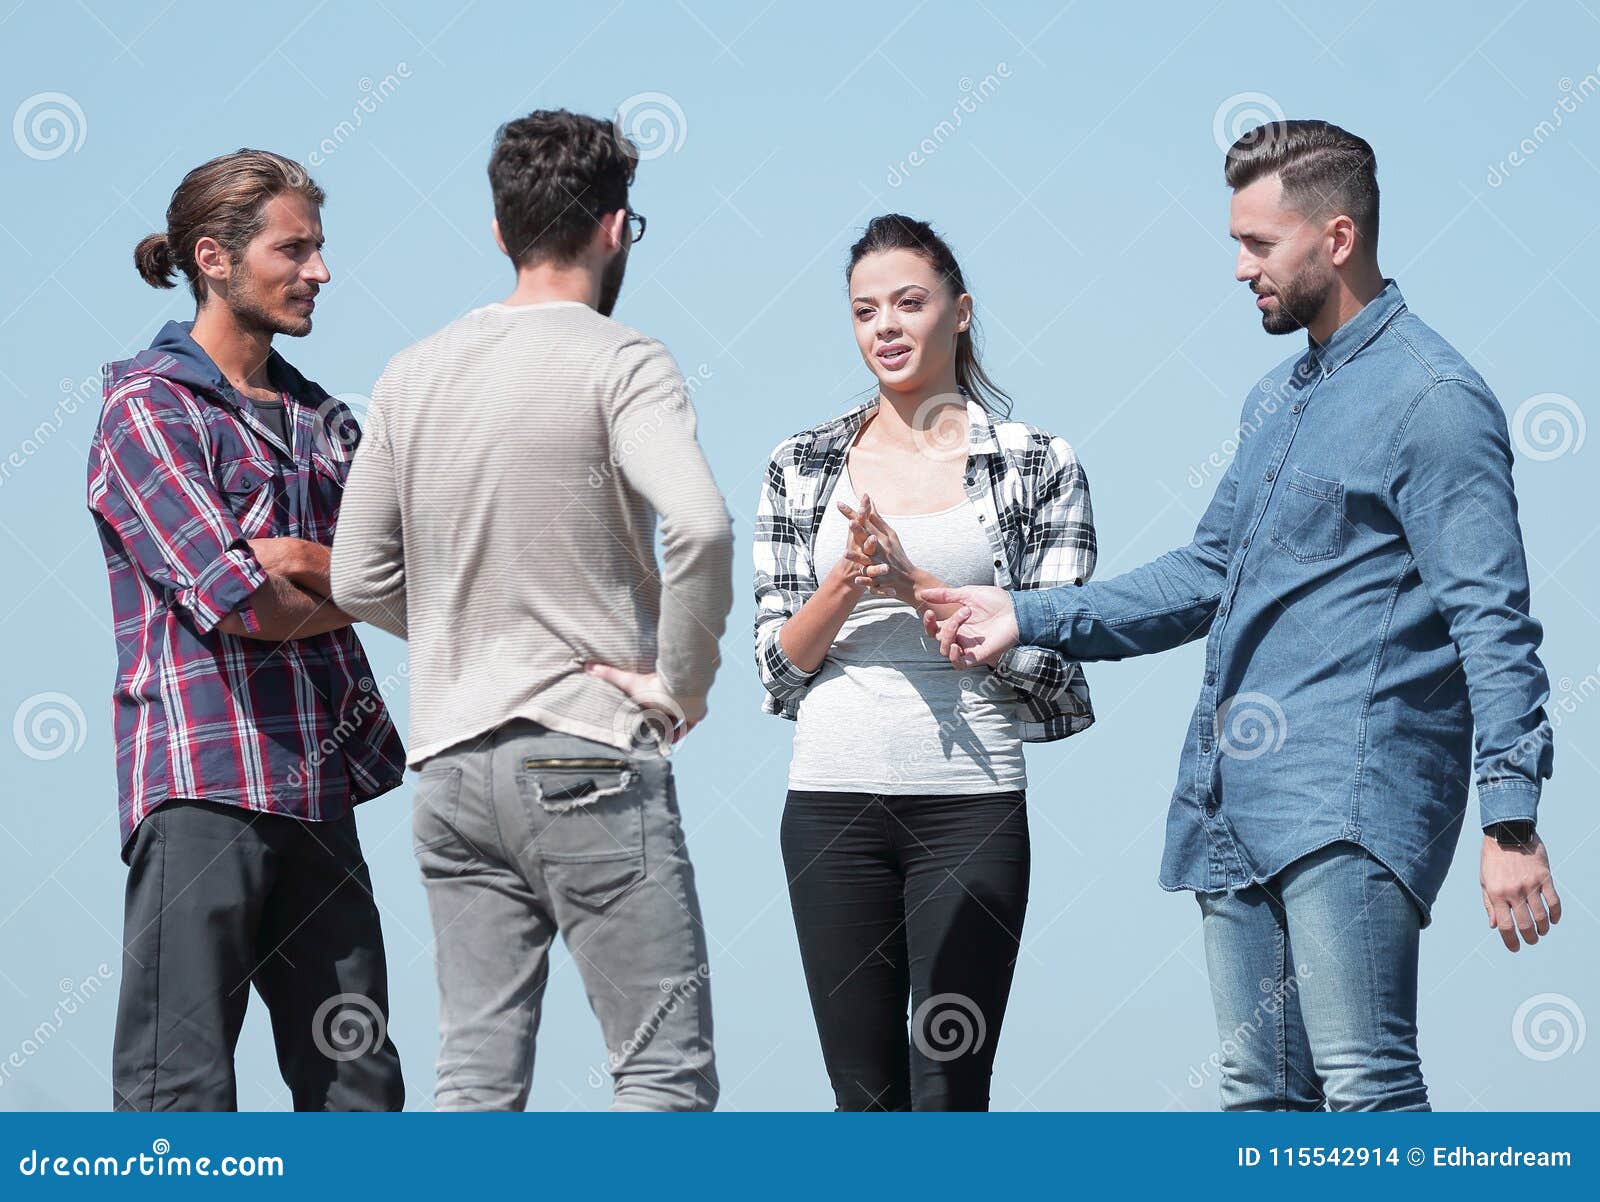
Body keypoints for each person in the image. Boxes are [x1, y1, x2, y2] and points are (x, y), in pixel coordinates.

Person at [919, 121, 1560, 1111]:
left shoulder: (1434, 399)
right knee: (1258, 1103)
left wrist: (1509, 815)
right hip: (1233, 807)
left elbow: (1494, 617)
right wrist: (1024, 612)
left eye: (1258, 243)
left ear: (1335, 239)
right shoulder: (1277, 399)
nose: (1237, 268)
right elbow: (1208, 570)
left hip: (1350, 802)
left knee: (1367, 1090)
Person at [330, 109, 733, 1112]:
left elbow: (354, 575)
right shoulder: (622, 359)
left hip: (453, 763)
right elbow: (702, 528)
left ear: (501, 232)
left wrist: (471, 626)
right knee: (659, 1072)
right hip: (586, 751)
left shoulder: (410, 374)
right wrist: (678, 681)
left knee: (473, 1078)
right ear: (613, 227)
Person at [754, 214, 1097, 1110]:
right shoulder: (801, 466)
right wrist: (847, 584)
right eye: (866, 311)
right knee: (863, 1101)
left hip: (971, 810)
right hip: (830, 807)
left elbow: (1057, 671)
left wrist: (915, 588)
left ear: (961, 312)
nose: (887, 327)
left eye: (910, 303)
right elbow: (778, 673)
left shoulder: (1037, 465)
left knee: (949, 1090)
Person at [89, 149, 407, 1111]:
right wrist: (337, 574)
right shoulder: (146, 410)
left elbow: (419, 581)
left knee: (360, 1093)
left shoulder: (329, 423)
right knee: (176, 1097)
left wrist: (305, 559)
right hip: (203, 793)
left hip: (322, 793)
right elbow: (241, 602)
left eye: (319, 249)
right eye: (294, 248)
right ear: (214, 259)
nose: (319, 271)